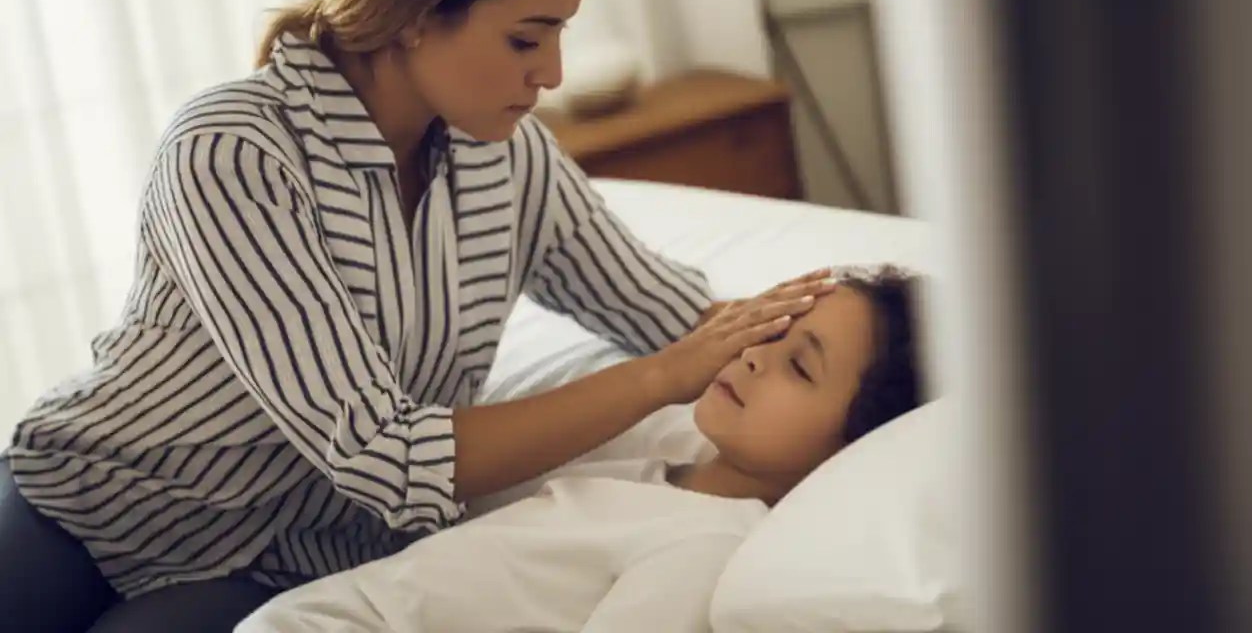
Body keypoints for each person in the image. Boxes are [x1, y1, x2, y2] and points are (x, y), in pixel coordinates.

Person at [0, 0, 827, 631]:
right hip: (96, 500)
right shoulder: (235, 151)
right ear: (415, 15)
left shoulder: (508, 159)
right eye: (525, 38)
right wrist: (656, 380)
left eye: (561, 34)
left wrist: (881, 339)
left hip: (293, 559)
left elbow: (677, 316)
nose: (553, 74)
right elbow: (388, 456)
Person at [235, 266, 924, 633]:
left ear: (850, 453)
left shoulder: (705, 547)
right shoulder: (658, 463)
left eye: (800, 367)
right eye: (770, 331)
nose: (753, 358)